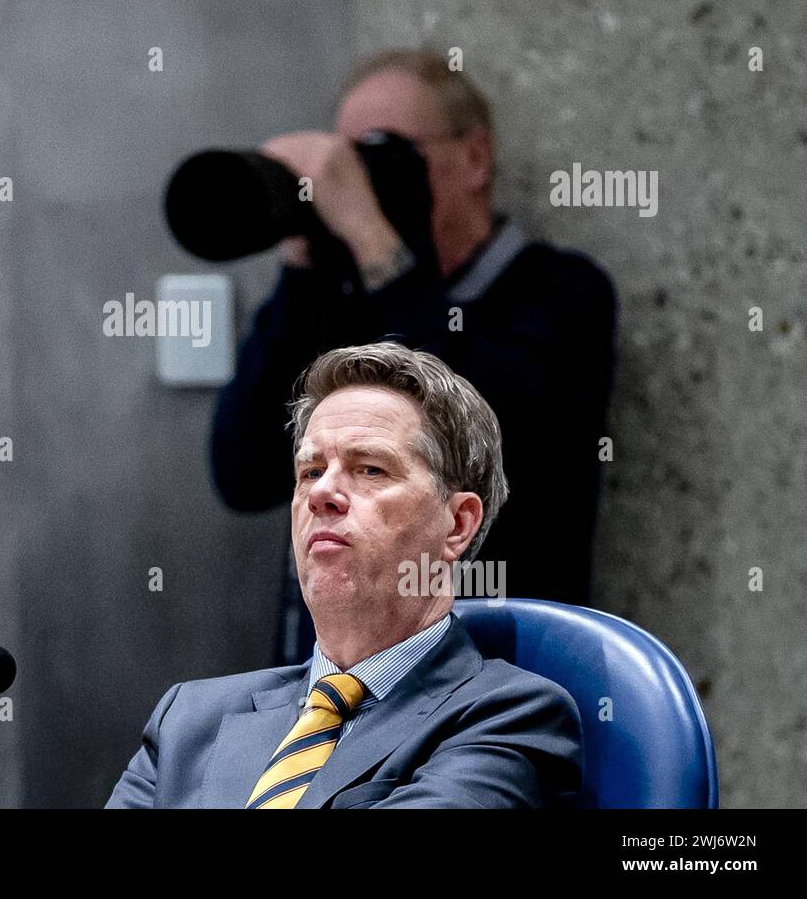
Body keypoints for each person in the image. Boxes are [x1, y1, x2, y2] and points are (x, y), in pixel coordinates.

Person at [211, 49, 616, 664]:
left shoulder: (561, 292)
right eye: (346, 162)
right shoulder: (338, 299)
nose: (355, 182)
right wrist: (301, 257)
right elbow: (242, 473)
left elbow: (488, 426)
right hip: (327, 701)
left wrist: (376, 245)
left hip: (490, 693)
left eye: (381, 151)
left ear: (474, 158)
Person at [109, 343, 582, 809]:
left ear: (456, 524)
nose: (323, 494)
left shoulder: (510, 716)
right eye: (311, 471)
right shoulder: (188, 720)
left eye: (370, 469)